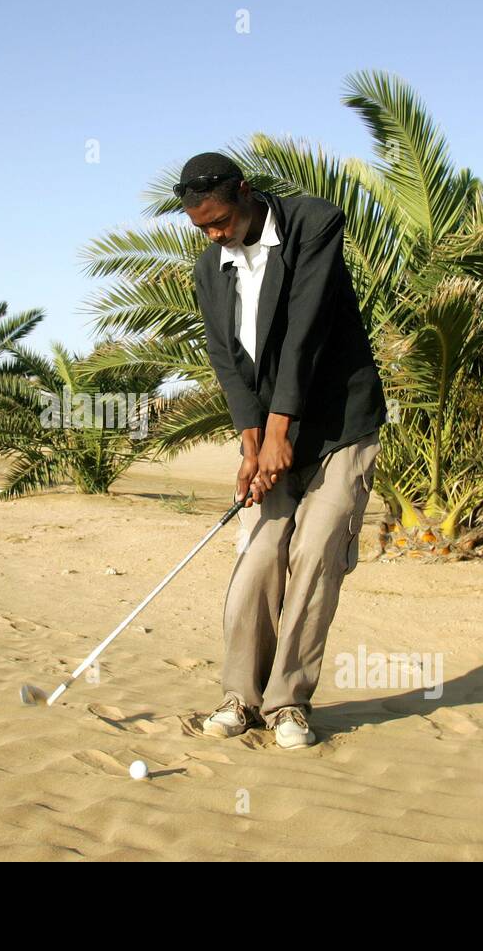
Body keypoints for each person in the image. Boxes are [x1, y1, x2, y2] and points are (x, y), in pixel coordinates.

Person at [179, 152, 386, 749]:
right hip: (272, 431)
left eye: (220, 221)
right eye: (203, 229)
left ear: (245, 191)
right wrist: (252, 443)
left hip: (339, 424)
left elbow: (305, 330)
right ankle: (239, 697)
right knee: (263, 551)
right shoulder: (208, 268)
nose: (216, 235)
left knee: (318, 550)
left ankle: (288, 702)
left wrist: (278, 434)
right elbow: (226, 359)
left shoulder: (311, 222)